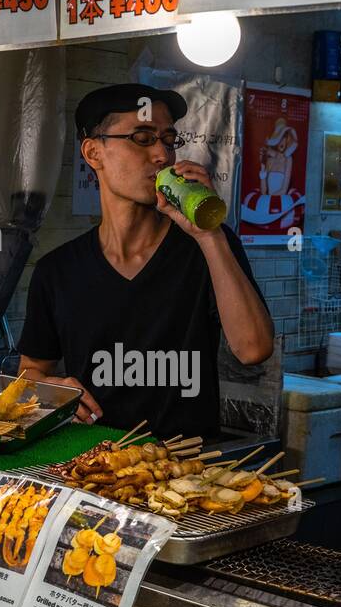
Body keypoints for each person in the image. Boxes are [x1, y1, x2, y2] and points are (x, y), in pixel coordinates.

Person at [18, 84, 274, 438]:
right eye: (142, 138)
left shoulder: (207, 247)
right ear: (94, 153)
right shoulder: (57, 270)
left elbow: (254, 350)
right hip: (95, 465)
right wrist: (53, 393)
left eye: (168, 140)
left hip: (186, 472)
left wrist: (208, 234)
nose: (162, 155)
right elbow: (30, 372)